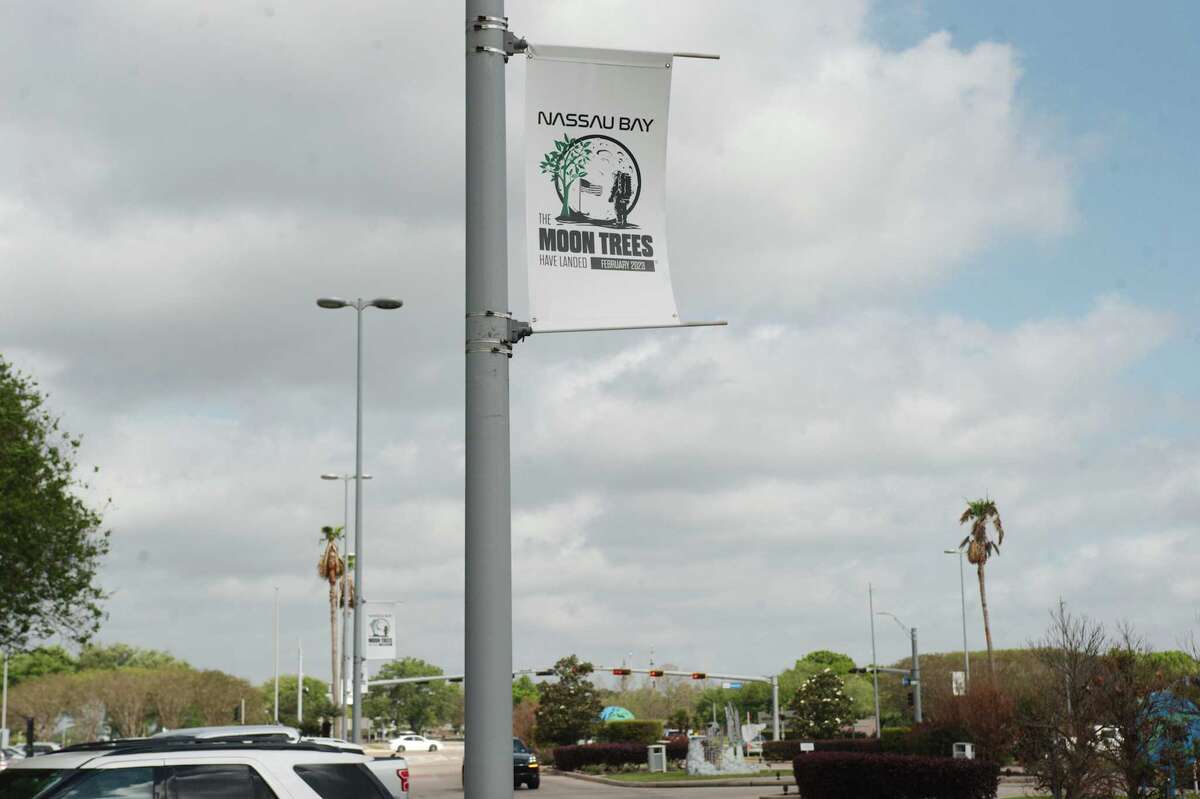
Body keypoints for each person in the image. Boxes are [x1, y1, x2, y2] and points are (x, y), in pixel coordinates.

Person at [609, 153, 633, 226]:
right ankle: (624, 221)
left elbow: (615, 186)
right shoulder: (626, 175)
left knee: (617, 208)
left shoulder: (618, 175)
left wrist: (611, 196)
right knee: (624, 207)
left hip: (619, 194)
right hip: (626, 194)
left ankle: (619, 221)